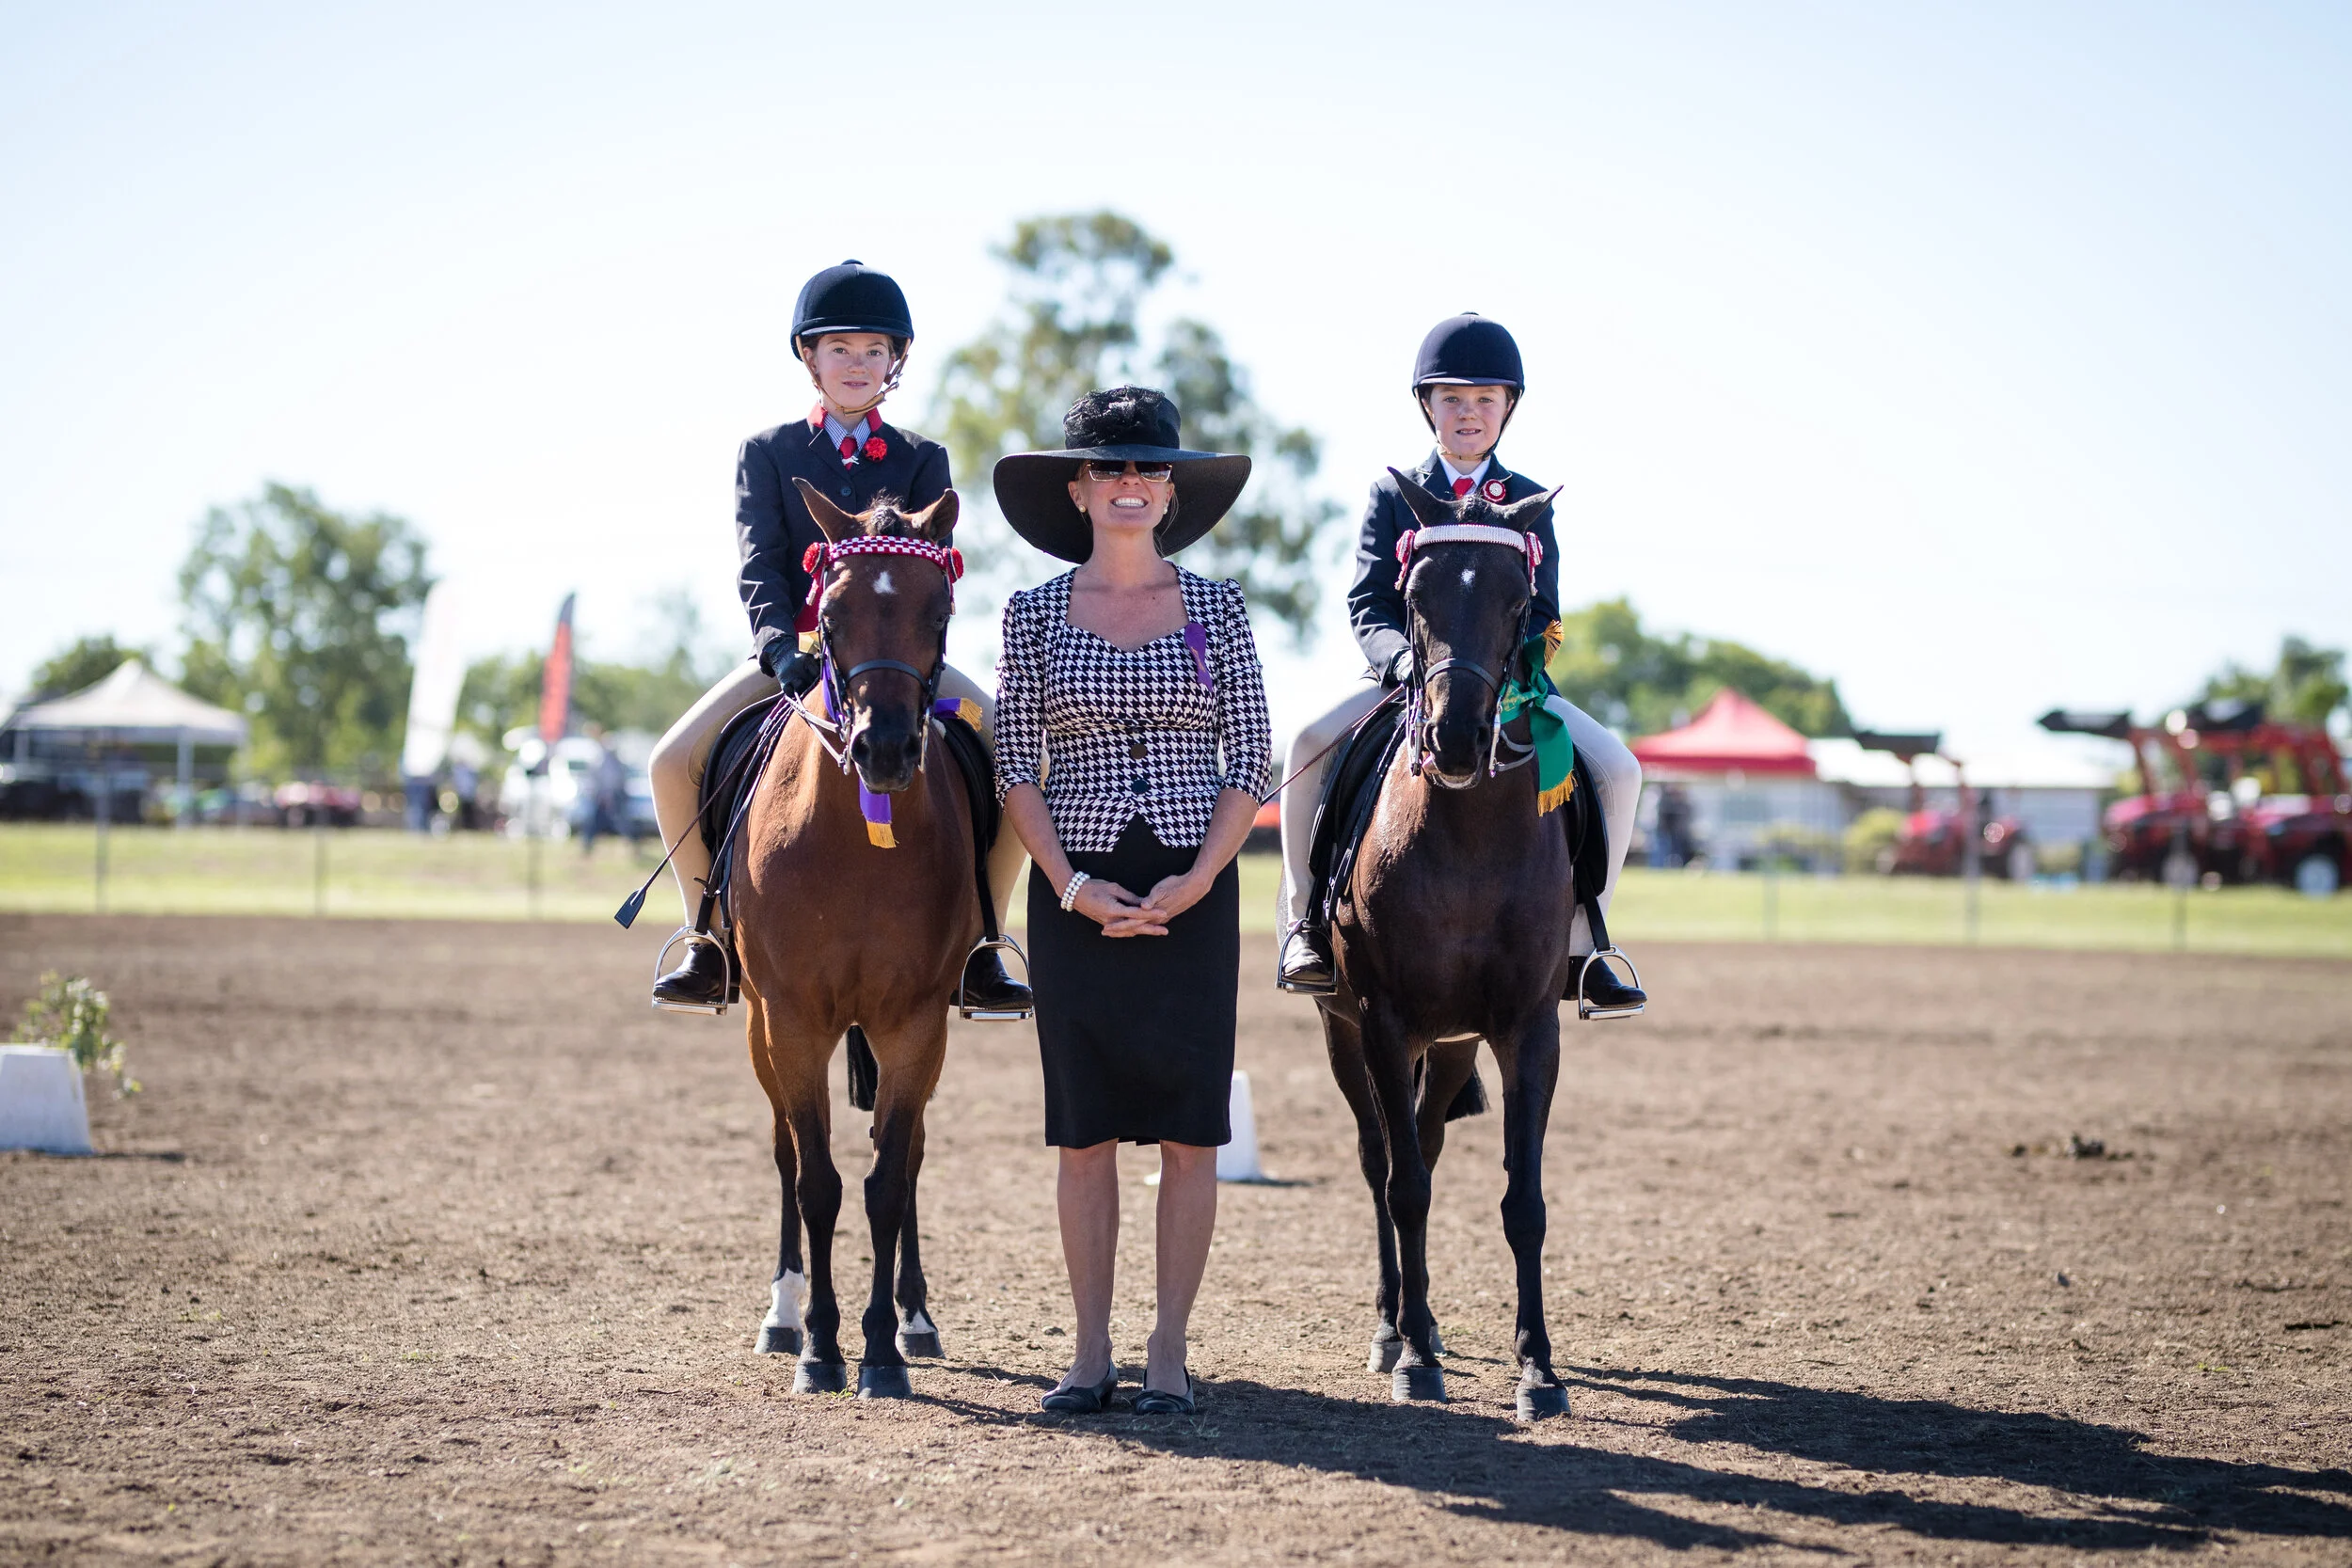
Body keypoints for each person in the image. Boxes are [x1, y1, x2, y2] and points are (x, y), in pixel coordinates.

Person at [644, 261, 1031, 1015]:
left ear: (896, 362)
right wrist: (778, 650)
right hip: (795, 657)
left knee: (1021, 758)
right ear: (810, 357)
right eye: (841, 349)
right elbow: (760, 564)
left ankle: (984, 939)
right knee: (669, 761)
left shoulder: (923, 459)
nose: (858, 364)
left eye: (874, 351)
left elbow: (933, 579)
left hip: (898, 667)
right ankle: (706, 933)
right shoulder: (768, 451)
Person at [991, 387, 1270, 1416]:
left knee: (1193, 1131)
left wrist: (1201, 877)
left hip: (1195, 889)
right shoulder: (1030, 613)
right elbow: (1013, 763)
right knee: (1085, 1133)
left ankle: (1167, 1348)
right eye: (1108, 466)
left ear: (1171, 490)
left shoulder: (1219, 608)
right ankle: (1088, 1351)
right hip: (1078, 896)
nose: (1130, 482)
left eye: (1149, 467)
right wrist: (1068, 884)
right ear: (1076, 488)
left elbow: (1252, 754)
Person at [1274, 313, 1646, 1011]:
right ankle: (1305, 925)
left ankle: (1584, 944)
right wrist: (1402, 665)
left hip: (1509, 686)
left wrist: (1514, 678)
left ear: (1508, 407)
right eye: (1452, 398)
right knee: (1307, 741)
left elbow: (1544, 611)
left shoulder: (1530, 501)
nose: (1468, 413)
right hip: (1408, 679)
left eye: (1484, 399)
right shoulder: (1394, 493)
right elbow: (1368, 602)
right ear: (1427, 405)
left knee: (1621, 769)